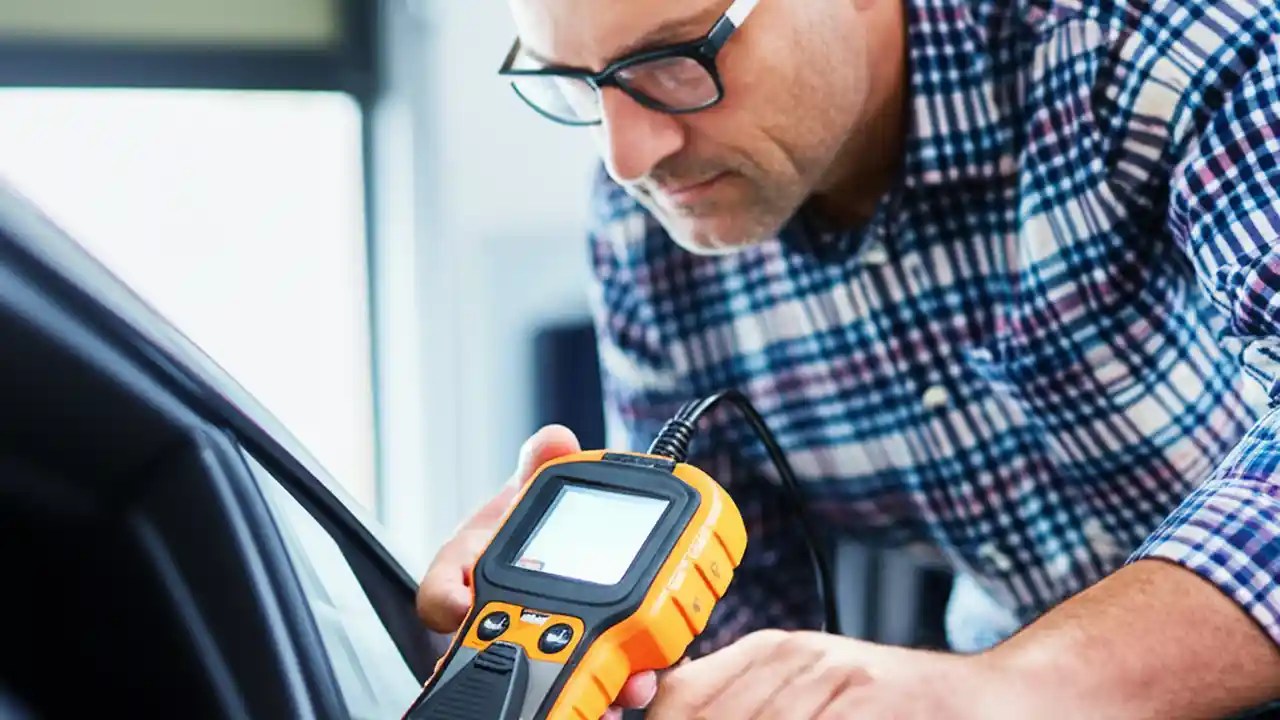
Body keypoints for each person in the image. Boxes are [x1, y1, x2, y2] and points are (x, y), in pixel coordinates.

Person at [417, 0, 1280, 716]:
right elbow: (730, 616)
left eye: (677, 61)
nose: (628, 156)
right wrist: (585, 641)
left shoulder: (1147, 36)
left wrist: (1010, 690)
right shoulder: (645, 221)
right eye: (573, 83)